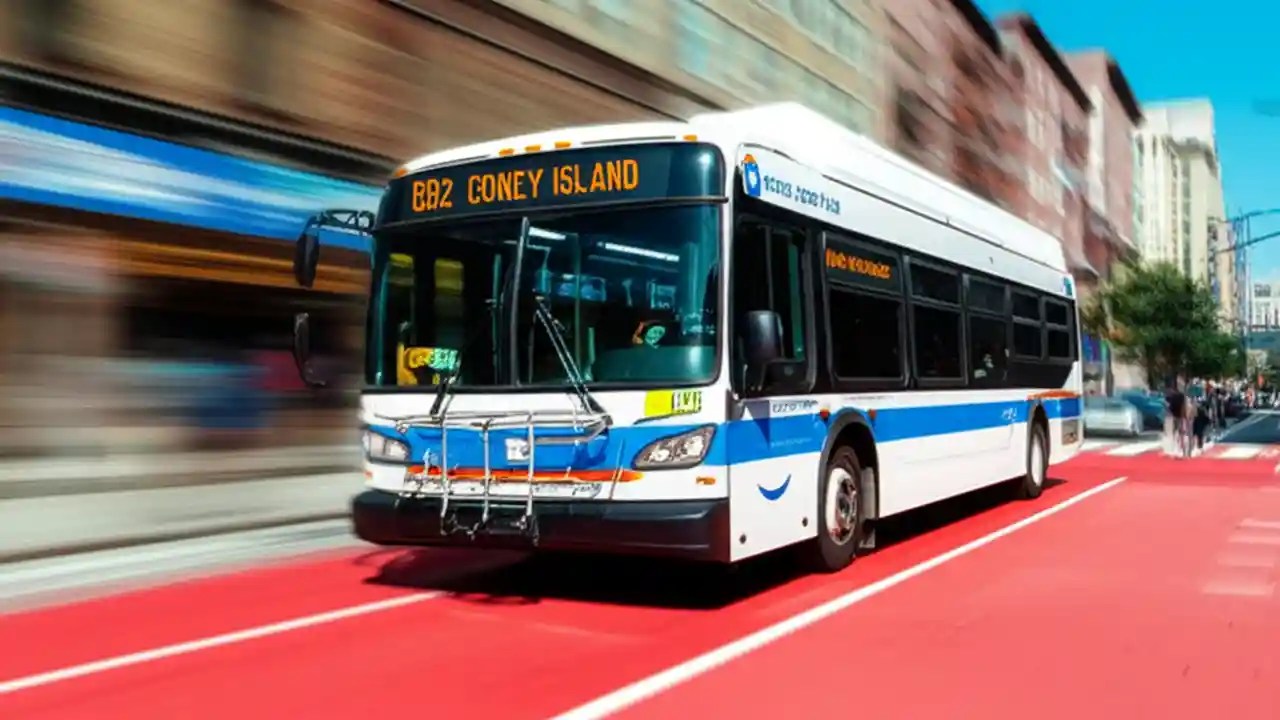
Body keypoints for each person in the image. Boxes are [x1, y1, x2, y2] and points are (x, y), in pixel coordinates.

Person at [1164, 382, 1188, 458]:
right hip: (1178, 415)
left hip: (1176, 415)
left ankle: (1176, 444)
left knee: (1176, 430)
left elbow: (1170, 407)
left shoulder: (1174, 396)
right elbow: (1182, 405)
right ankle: (1179, 445)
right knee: (1179, 430)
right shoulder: (1180, 396)